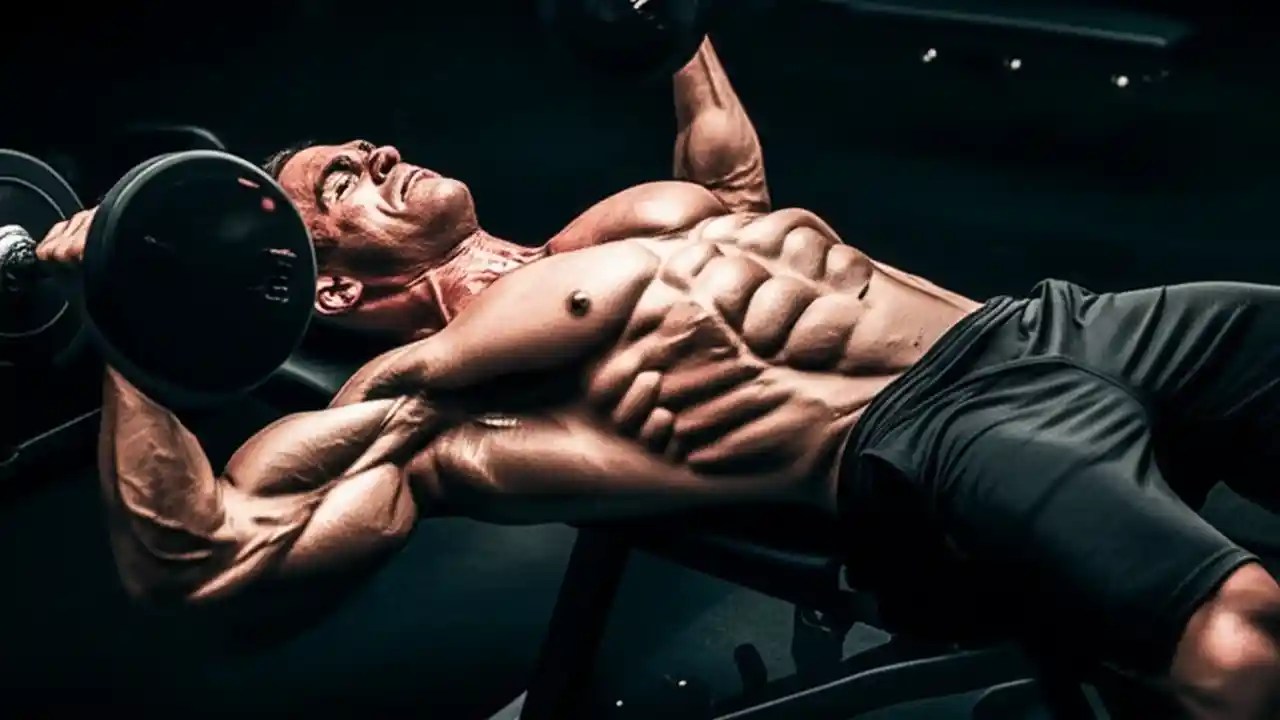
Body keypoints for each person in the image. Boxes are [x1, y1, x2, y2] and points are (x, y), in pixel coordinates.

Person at [38, 37, 1280, 720]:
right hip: (941, 431)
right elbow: (200, 563)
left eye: (360, 150)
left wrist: (668, 30)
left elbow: (734, 187)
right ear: (336, 292)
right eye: (338, 185)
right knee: (1237, 647)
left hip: (1054, 325)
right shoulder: (432, 402)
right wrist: (124, 315)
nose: (374, 152)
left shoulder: (613, 224)